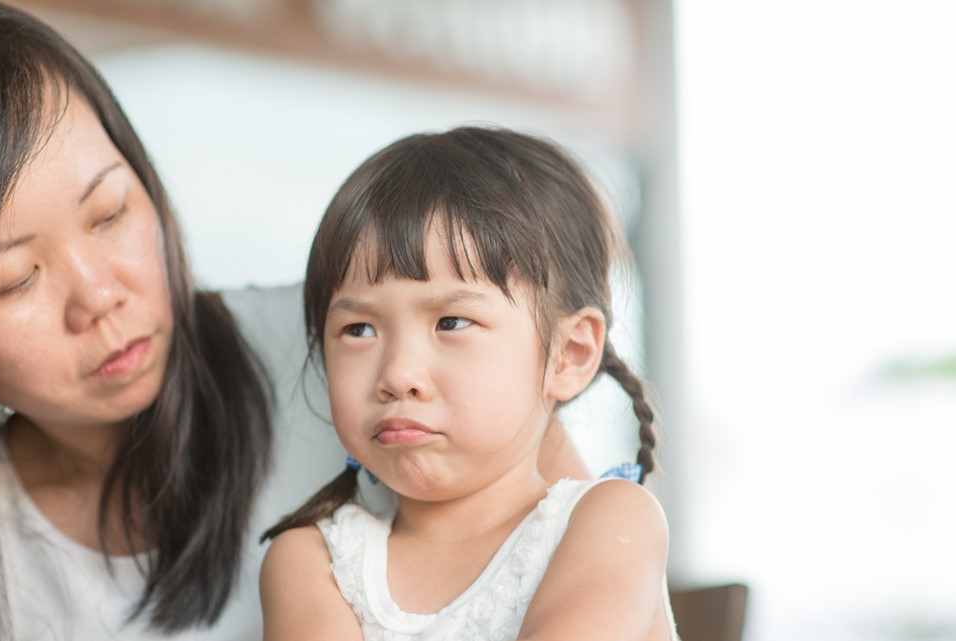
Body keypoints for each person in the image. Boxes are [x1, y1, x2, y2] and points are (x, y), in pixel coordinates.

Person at [0, 2, 589, 640]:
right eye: (16, 279)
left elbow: (590, 560)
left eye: (110, 212)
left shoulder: (367, 345)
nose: (100, 295)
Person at [259, 126, 676, 641]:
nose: (397, 376)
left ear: (568, 354)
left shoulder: (610, 522)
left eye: (451, 323)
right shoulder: (310, 561)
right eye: (359, 329)